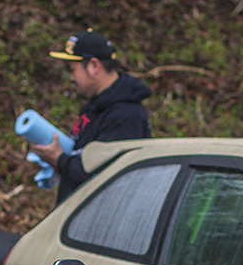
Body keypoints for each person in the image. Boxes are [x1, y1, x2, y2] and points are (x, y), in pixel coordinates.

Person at [26, 30, 152, 201]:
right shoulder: (96, 106)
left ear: (94, 66)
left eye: (72, 70)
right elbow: (83, 156)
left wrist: (59, 159)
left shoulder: (126, 116)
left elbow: (105, 176)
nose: (71, 78)